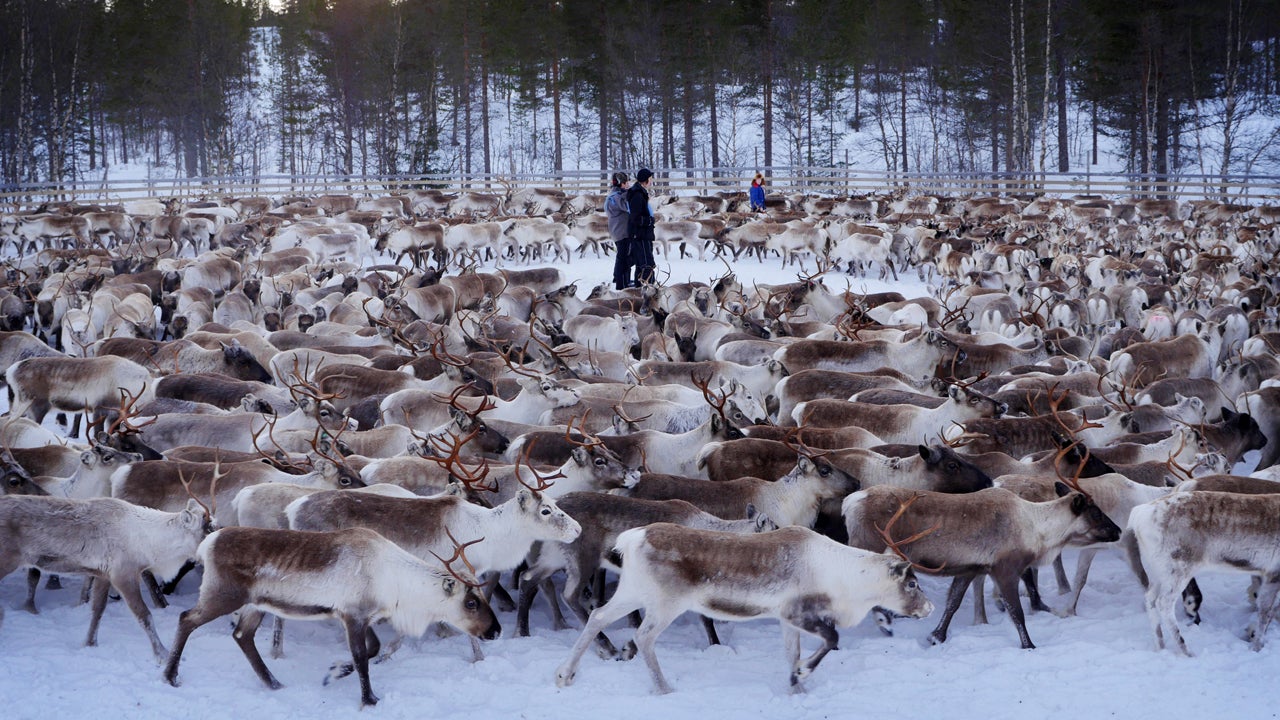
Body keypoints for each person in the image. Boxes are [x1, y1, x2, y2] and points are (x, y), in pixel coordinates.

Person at [626, 168, 656, 286]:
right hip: (640, 235)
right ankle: (648, 289)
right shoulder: (637, 195)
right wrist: (649, 221)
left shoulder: (640, 192)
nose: (652, 181)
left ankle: (640, 289)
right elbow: (636, 218)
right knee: (646, 263)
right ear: (646, 180)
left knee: (641, 263)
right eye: (650, 179)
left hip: (642, 234)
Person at [606, 171, 632, 290]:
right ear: (622, 184)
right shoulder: (616, 197)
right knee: (624, 256)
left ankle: (622, 278)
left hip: (619, 230)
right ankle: (621, 284)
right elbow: (627, 207)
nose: (629, 185)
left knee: (623, 256)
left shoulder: (614, 195)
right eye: (627, 182)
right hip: (621, 231)